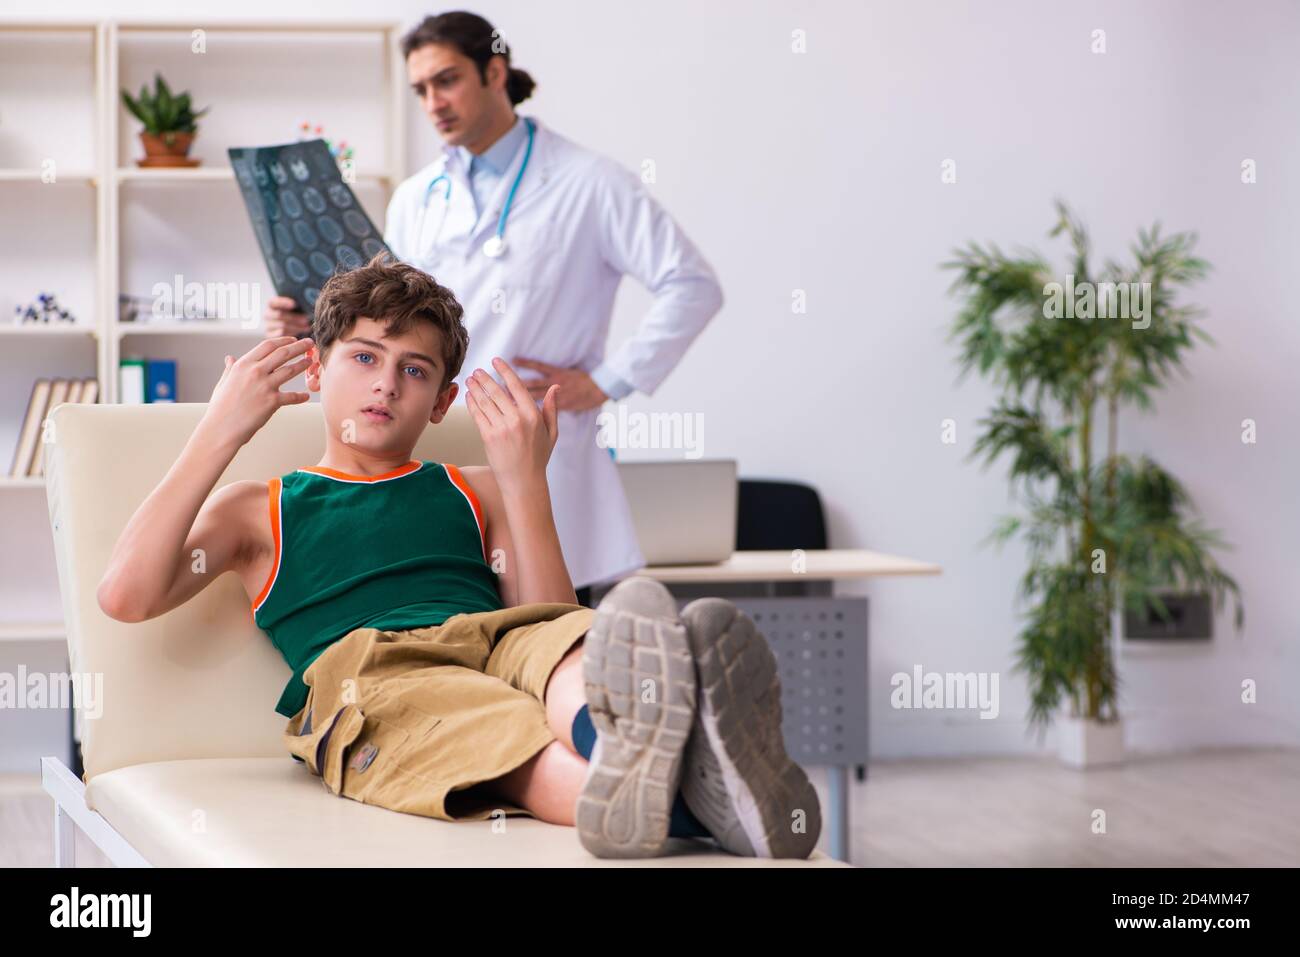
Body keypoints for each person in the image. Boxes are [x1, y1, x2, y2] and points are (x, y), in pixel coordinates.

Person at [100, 255, 819, 859]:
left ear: (443, 403)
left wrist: (525, 482)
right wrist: (216, 432)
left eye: (414, 371)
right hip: (373, 676)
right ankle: (686, 788)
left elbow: (549, 620)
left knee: (572, 645)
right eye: (363, 357)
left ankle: (653, 752)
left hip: (497, 643)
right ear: (316, 371)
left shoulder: (473, 488)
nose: (386, 383)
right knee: (504, 741)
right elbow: (125, 594)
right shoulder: (261, 507)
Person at [264, 11, 724, 606]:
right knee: (457, 625)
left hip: (544, 457)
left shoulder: (589, 182)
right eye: (421, 89)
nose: (434, 102)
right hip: (434, 452)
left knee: (551, 634)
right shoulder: (416, 196)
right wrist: (308, 325)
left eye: (447, 80)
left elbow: (691, 285)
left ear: (495, 71)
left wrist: (606, 383)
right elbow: (391, 321)